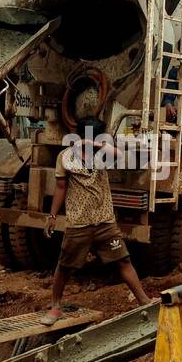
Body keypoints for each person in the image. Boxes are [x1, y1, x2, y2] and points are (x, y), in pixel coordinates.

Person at [42, 118, 152, 325]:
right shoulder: (65, 157)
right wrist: (52, 216)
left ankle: (144, 300)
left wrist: (94, 144)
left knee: (123, 260)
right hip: (79, 222)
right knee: (65, 265)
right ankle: (55, 306)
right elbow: (60, 188)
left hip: (105, 221)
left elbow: (120, 156)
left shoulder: (103, 154)